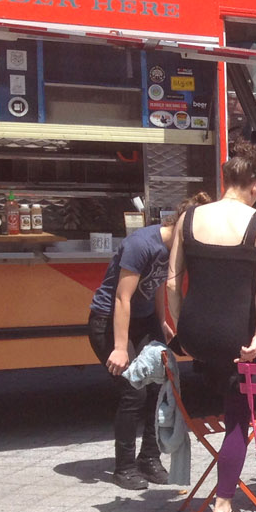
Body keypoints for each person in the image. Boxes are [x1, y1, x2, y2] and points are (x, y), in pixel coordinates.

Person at [167, 145, 256, 512]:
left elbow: (171, 279)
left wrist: (182, 327)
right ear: (254, 184)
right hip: (237, 335)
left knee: (231, 402)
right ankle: (224, 507)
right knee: (239, 418)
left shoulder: (189, 217)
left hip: (196, 333)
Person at [87, 201, 191, 489]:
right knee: (133, 392)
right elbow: (123, 298)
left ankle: (149, 459)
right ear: (181, 224)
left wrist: (163, 323)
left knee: (160, 385)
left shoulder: (173, 250)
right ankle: (124, 467)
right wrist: (120, 348)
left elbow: (157, 286)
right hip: (110, 321)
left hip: (143, 321)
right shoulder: (141, 244)